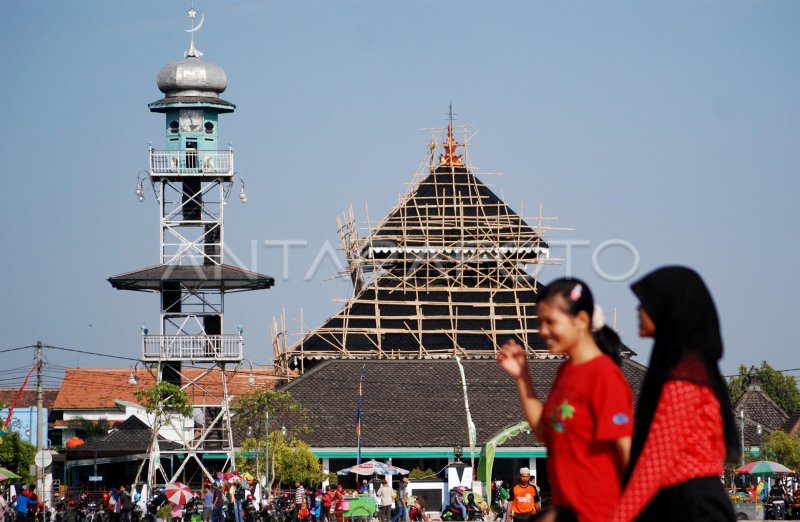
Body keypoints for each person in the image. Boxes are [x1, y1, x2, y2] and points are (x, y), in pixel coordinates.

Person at [498, 278, 633, 521]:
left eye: (550, 322)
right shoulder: (566, 371)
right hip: (566, 510)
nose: (542, 331)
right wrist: (522, 376)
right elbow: (543, 430)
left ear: (581, 320)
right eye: (540, 322)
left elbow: (626, 453)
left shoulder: (604, 376)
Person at [610, 266, 739, 521]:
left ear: (669, 308)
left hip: (692, 505)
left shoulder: (684, 376)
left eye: (646, 303)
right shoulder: (682, 367)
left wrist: (619, 517)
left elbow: (656, 459)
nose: (638, 310)